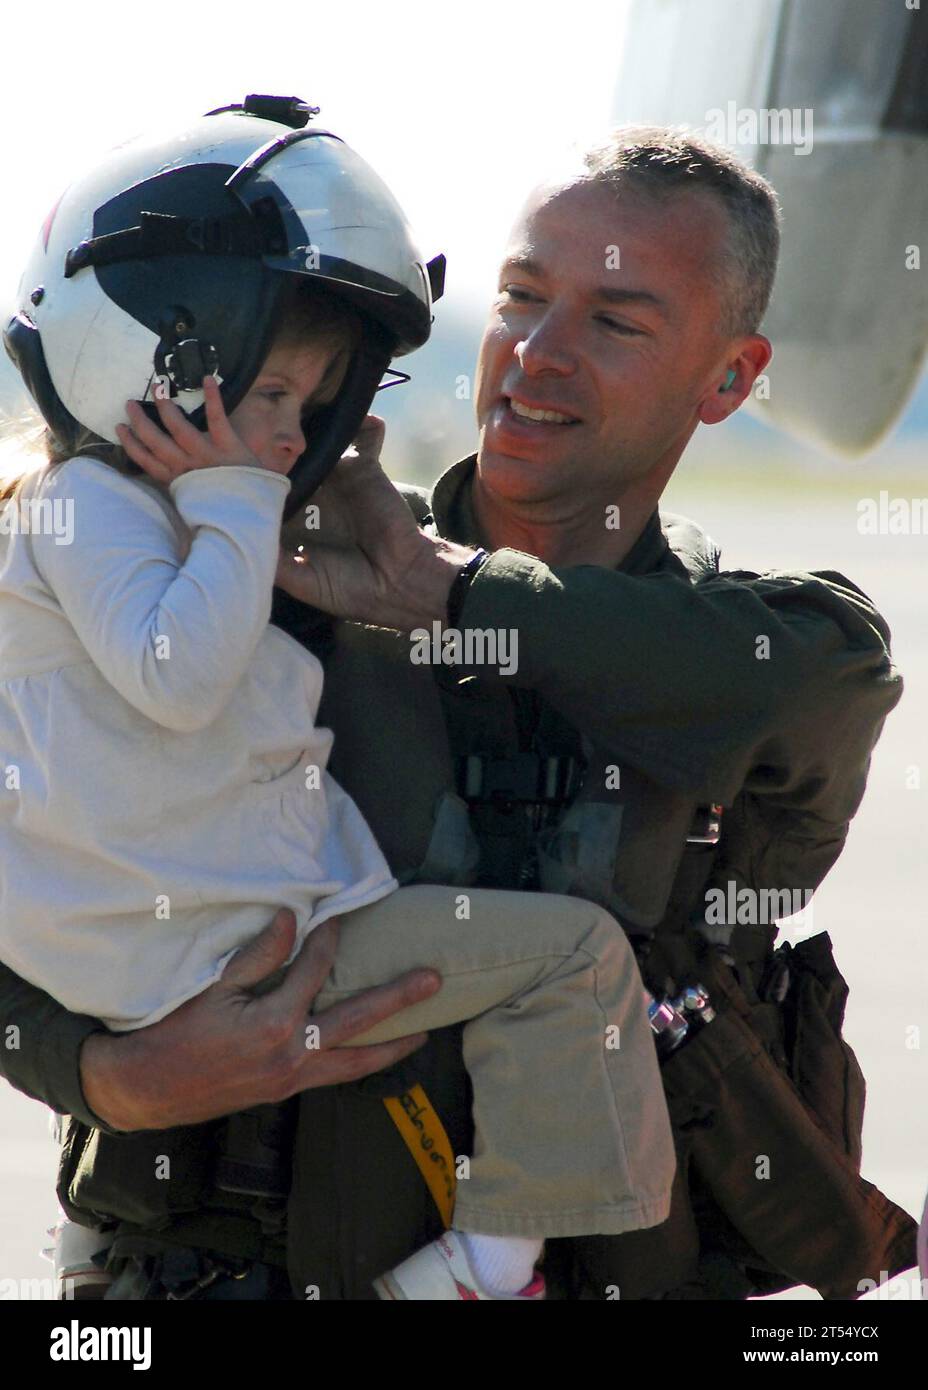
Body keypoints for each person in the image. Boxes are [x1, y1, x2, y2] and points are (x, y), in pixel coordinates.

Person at [0, 122, 916, 1301]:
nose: (537, 354)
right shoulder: (247, 573)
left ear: (731, 377)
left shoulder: (745, 650)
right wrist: (108, 1074)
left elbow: (827, 685)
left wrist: (447, 592)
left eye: (615, 320)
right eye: (520, 298)